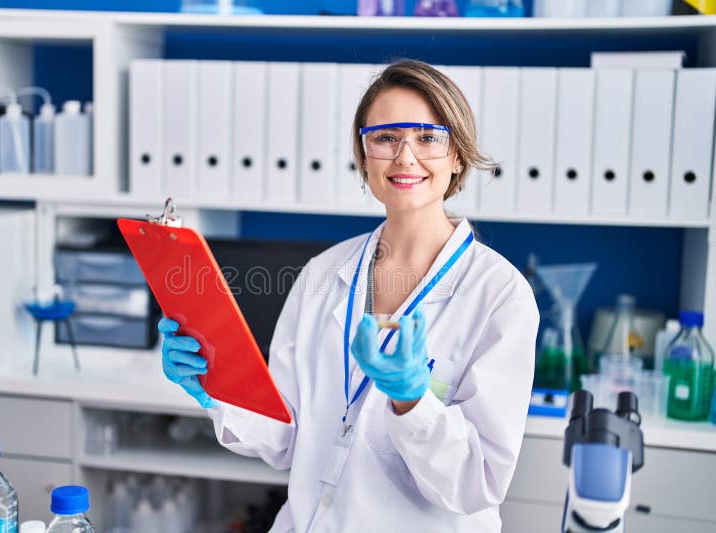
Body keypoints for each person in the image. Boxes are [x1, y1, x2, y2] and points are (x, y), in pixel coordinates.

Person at [159, 59, 539, 532]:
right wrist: (215, 385)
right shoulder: (325, 272)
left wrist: (412, 402)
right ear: (363, 155)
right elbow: (283, 437)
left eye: (428, 138)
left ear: (458, 155)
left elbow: (476, 483)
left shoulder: (500, 296)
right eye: (385, 138)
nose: (405, 157)